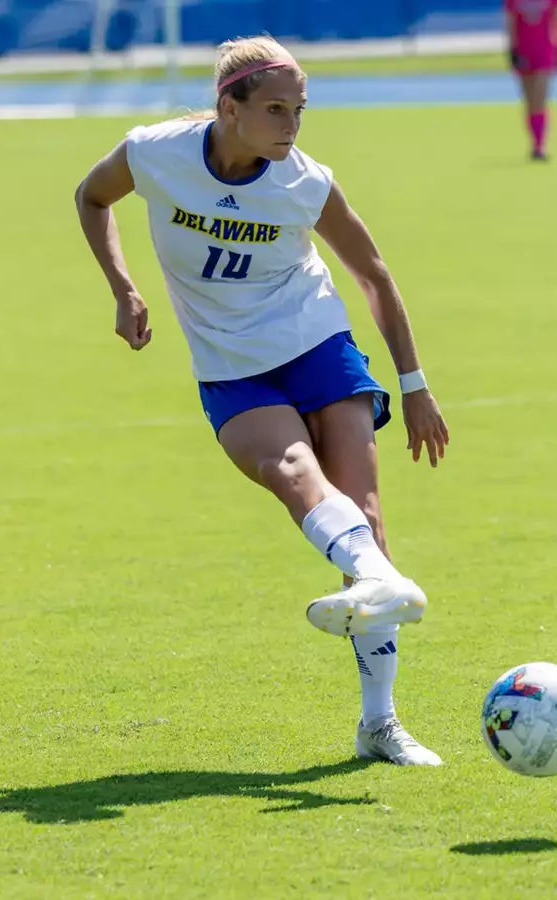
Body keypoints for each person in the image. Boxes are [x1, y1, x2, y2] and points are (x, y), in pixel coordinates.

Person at [73, 36, 452, 766]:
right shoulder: (155, 153)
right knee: (287, 468)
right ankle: (380, 580)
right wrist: (123, 286)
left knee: (367, 520)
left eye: (299, 110)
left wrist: (414, 386)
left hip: (315, 341)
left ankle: (380, 724)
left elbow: (372, 274)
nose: (291, 125)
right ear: (228, 107)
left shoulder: (304, 182)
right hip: (231, 364)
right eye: (275, 109)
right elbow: (91, 196)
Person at [507, 0, 557, 161]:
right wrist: (512, 51)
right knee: (529, 100)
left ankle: (540, 146)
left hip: (545, 50)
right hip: (524, 51)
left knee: (540, 98)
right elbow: (510, 23)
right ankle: (534, 141)